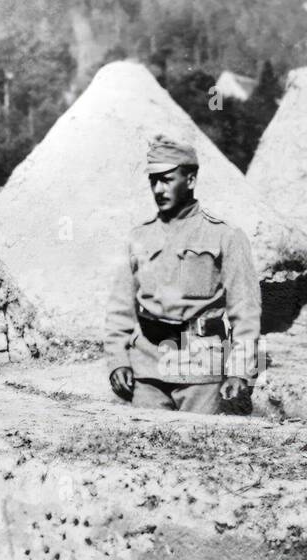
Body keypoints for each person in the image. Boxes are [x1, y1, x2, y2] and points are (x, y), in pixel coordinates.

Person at [105, 134, 261, 413]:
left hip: (201, 370)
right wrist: (117, 360)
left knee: (198, 452)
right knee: (143, 451)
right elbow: (119, 307)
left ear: (190, 180)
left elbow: (245, 310)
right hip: (148, 370)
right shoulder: (138, 237)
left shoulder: (225, 236)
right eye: (153, 181)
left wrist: (240, 371)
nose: (158, 189)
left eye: (167, 179)